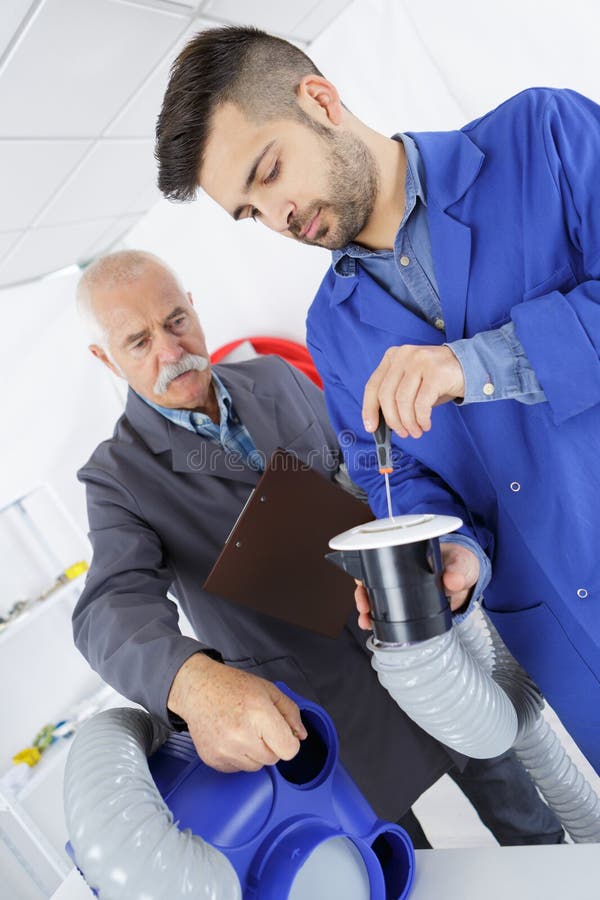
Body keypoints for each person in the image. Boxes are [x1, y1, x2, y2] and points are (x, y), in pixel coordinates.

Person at [154, 26, 600, 775]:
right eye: (249, 212)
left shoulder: (542, 139)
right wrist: (452, 554)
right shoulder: (332, 331)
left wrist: (477, 362)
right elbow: (402, 481)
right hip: (571, 643)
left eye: (270, 173)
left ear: (320, 101)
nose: (278, 217)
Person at [73, 249, 563, 847]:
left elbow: (366, 473)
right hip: (323, 701)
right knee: (403, 862)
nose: (172, 352)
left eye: (176, 321)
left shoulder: (276, 379)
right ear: (104, 359)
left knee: (521, 810)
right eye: (138, 342)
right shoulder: (117, 477)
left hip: (418, 647)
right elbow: (108, 608)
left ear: (194, 307)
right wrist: (190, 683)